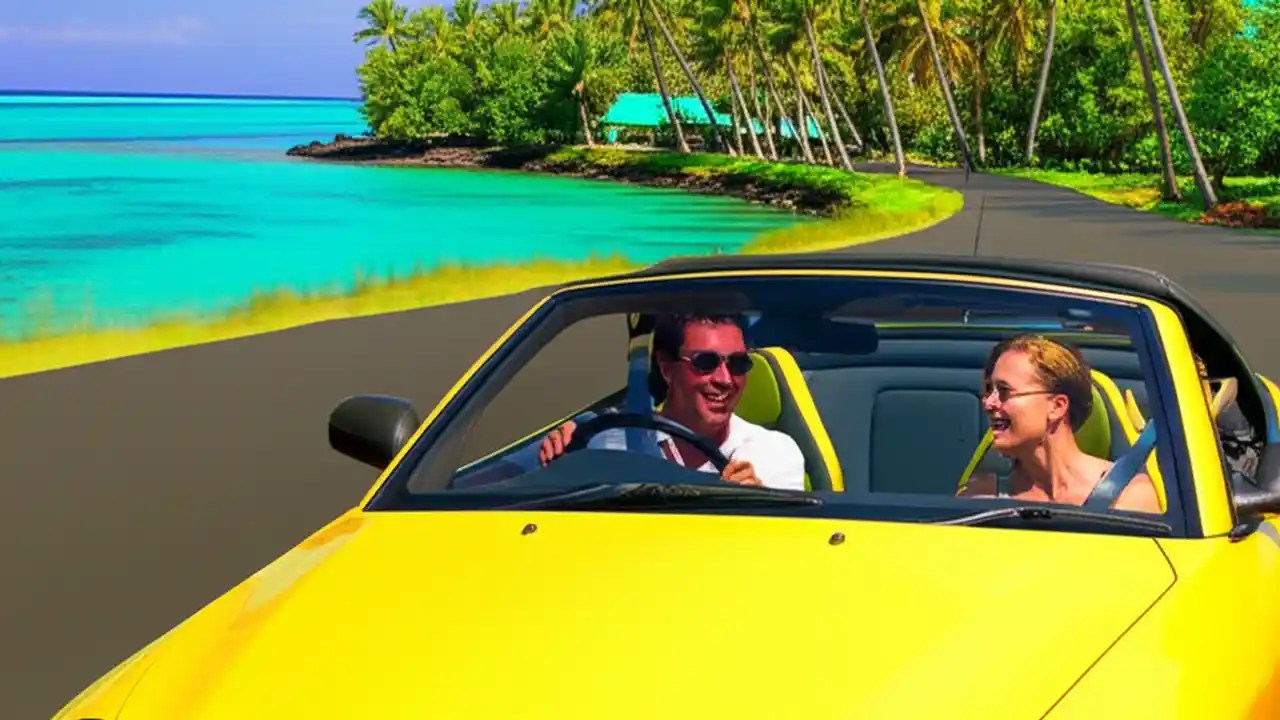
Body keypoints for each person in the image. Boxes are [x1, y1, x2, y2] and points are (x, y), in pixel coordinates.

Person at [538, 312, 807, 491]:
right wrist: (564, 457)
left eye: (738, 363)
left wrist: (758, 503)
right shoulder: (612, 441)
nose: (725, 379)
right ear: (667, 369)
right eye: (706, 362)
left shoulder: (773, 452)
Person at [959, 334, 1161, 513]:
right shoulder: (982, 497)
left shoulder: (1128, 497)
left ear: (1057, 406)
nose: (988, 403)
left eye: (1004, 391)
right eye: (989, 391)